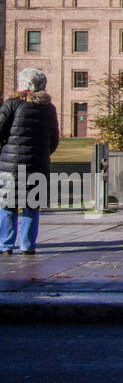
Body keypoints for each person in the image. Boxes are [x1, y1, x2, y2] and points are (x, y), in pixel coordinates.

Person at [0, 68, 60, 256]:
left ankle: (6, 245)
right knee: (31, 206)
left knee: (7, 205)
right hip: (38, 163)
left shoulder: (12, 104)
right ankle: (27, 245)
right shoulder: (49, 109)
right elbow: (54, 139)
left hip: (10, 163)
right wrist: (43, 153)